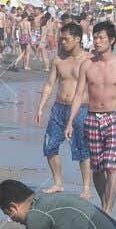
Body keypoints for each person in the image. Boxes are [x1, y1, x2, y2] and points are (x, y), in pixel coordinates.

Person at [66, 20, 116, 213]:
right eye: (95, 37)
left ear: (112, 40)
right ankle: (104, 202)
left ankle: (108, 211)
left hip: (115, 117)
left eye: (101, 37)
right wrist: (70, 121)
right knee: (97, 168)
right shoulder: (87, 65)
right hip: (93, 117)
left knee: (111, 166)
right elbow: (78, 94)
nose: (97, 41)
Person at [35, 21, 92, 197]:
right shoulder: (58, 59)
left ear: (77, 39)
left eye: (66, 39)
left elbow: (97, 87)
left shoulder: (89, 60)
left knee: (82, 148)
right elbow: (50, 84)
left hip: (81, 109)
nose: (63, 42)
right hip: (59, 108)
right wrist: (40, 107)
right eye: (62, 39)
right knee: (49, 145)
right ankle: (58, 183)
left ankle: (86, 187)